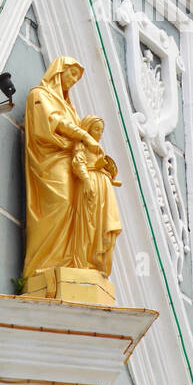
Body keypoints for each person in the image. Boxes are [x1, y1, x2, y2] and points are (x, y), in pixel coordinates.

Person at [22, 57, 122, 278]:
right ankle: (40, 267)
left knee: (77, 209)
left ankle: (69, 260)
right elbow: (55, 123)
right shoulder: (39, 95)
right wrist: (85, 136)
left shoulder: (70, 108)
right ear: (59, 72)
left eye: (77, 77)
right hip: (50, 160)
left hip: (69, 160)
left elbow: (77, 137)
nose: (74, 80)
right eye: (72, 74)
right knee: (61, 203)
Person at [71, 116, 123, 275]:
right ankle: (85, 262)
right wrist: (86, 180)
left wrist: (107, 172)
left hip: (104, 186)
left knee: (103, 223)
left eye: (101, 130)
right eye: (96, 129)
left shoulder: (98, 148)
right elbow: (78, 164)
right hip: (91, 184)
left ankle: (98, 261)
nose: (99, 133)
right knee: (89, 222)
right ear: (87, 129)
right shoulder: (81, 145)